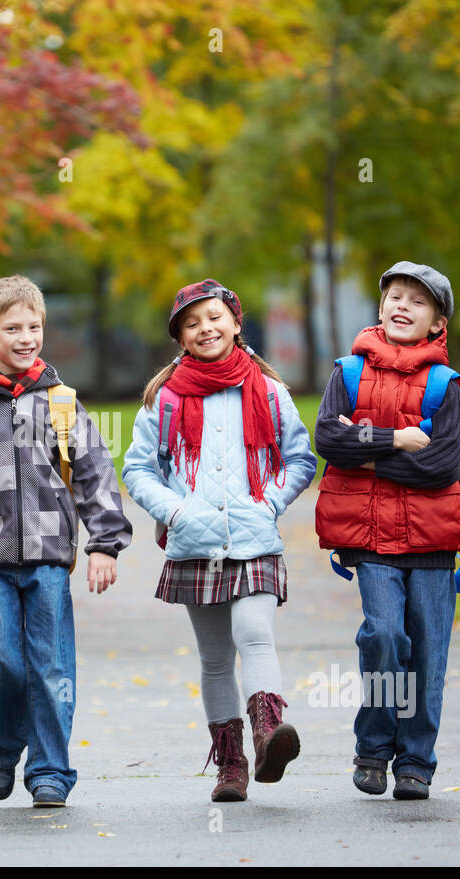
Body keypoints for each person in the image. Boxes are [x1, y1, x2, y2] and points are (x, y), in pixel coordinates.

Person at [0, 275, 132, 808]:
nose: (25, 337)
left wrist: (104, 544)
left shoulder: (62, 403)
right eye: (12, 328)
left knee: (51, 668)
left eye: (34, 326)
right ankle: (1, 746)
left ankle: (50, 772)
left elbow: (95, 474)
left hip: (47, 559)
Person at [122, 279, 317, 802]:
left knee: (254, 631)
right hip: (194, 544)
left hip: (255, 538)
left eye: (214, 317)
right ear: (181, 337)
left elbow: (301, 460)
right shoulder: (164, 398)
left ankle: (267, 732)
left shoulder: (269, 391)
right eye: (191, 323)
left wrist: (269, 503)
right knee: (213, 657)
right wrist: (175, 510)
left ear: (235, 322)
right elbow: (138, 470)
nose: (205, 328)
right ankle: (230, 765)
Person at [313, 261, 460, 800]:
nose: (403, 306)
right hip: (370, 538)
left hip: (432, 543)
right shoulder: (348, 373)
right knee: (384, 635)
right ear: (380, 309)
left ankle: (415, 761)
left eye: (418, 302)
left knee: (427, 653)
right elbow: (329, 440)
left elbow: (442, 466)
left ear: (437, 323)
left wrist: (367, 453)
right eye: (395, 297)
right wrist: (397, 440)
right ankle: (374, 746)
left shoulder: (445, 385)